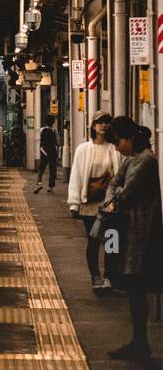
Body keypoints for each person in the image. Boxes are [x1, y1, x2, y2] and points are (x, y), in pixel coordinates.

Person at [101, 116, 163, 361]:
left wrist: (114, 195)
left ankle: (141, 343)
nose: (117, 147)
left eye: (118, 142)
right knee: (133, 287)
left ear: (129, 138)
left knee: (136, 286)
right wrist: (113, 195)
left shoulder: (146, 160)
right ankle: (139, 341)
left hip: (142, 232)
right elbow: (115, 184)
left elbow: (124, 192)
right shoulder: (132, 159)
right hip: (131, 230)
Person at [67, 112, 119, 289]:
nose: (103, 125)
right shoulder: (83, 149)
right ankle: (95, 276)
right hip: (90, 203)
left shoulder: (114, 148)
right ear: (93, 125)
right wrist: (74, 203)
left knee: (112, 241)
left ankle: (109, 277)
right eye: (100, 122)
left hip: (110, 203)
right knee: (94, 241)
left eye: (107, 122)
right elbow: (76, 176)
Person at [34, 116, 59, 193]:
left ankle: (39, 184)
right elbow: (57, 142)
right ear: (53, 123)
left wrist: (43, 151)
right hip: (52, 152)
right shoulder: (54, 130)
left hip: (44, 152)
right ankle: (51, 188)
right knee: (52, 170)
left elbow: (40, 142)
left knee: (41, 169)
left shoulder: (42, 130)